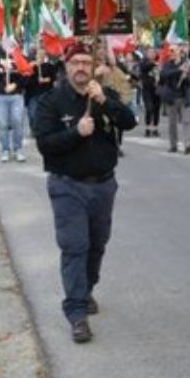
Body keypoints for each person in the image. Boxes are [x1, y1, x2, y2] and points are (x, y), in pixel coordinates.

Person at [33, 41, 137, 343]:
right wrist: (75, 133)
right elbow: (45, 144)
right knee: (74, 246)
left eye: (85, 62)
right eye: (75, 62)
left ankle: (87, 287)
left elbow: (129, 122)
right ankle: (76, 313)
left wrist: (104, 100)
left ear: (94, 67)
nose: (80, 67)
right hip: (67, 186)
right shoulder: (51, 101)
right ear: (66, 66)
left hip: (103, 185)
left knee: (97, 244)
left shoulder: (105, 96)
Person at [0, 49, 30, 162]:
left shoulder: (19, 55)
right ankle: (5, 149)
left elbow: (27, 74)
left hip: (16, 95)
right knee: (3, 124)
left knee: (17, 121)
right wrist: (0, 62)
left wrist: (16, 85)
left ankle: (18, 149)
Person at [158, 44, 190, 154]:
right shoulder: (167, 65)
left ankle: (188, 144)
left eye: (173, 51)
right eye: (170, 51)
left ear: (179, 52)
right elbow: (163, 75)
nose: (171, 53)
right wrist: (178, 71)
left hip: (185, 97)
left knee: (186, 121)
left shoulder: (188, 64)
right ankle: (173, 145)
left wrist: (186, 76)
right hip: (172, 97)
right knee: (172, 123)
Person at [137, 46, 161, 137]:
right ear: (146, 54)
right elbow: (144, 67)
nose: (151, 54)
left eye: (153, 52)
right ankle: (147, 128)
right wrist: (154, 64)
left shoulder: (158, 63)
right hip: (147, 89)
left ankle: (155, 128)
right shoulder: (144, 62)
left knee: (156, 109)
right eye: (149, 52)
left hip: (157, 89)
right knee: (149, 108)